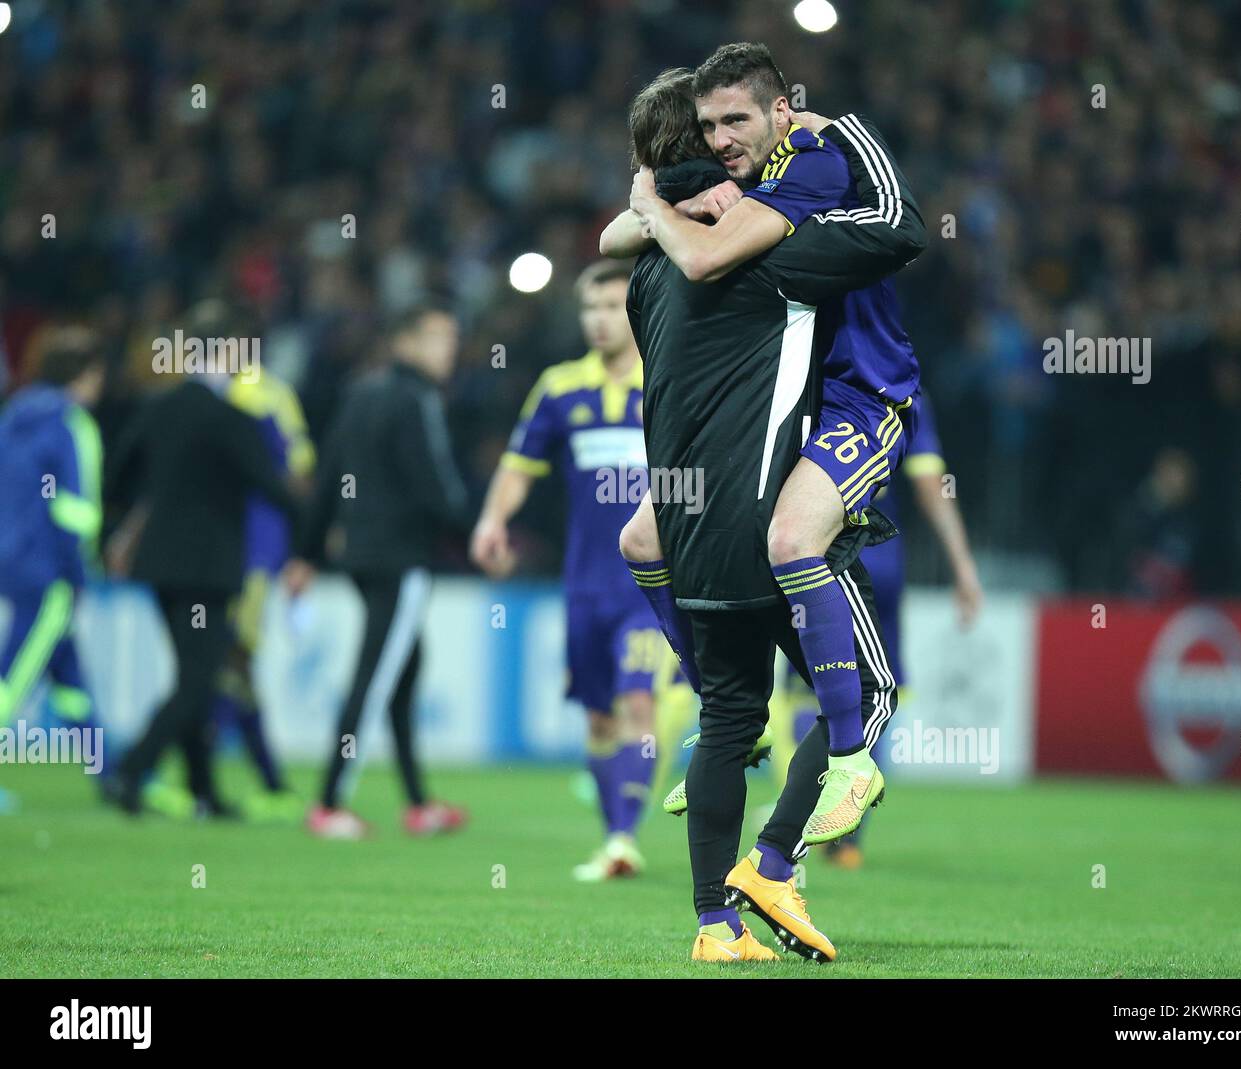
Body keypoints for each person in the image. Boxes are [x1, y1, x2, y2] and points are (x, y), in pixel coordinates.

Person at [607, 66, 927, 961]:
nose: (723, 143)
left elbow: (901, 224)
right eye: (708, 129)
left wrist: (653, 206)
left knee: (728, 700)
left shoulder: (657, 266)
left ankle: (728, 907)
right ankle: (781, 853)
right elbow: (900, 226)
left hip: (799, 447)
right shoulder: (760, 227)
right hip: (788, 453)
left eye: (737, 122)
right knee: (848, 683)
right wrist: (678, 200)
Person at [471, 260, 672, 881]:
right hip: (584, 584)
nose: (601, 320)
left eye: (613, 307)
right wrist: (492, 521)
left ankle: (621, 840)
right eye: (591, 308)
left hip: (653, 586)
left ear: (635, 314)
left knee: (640, 706)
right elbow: (518, 464)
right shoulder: (560, 387)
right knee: (598, 718)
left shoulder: (669, 380)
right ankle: (614, 834)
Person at [101, 307, 298, 818]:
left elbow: (118, 479)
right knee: (199, 676)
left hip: (161, 565)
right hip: (210, 568)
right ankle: (131, 770)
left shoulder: (159, 409)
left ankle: (202, 790)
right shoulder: (233, 420)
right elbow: (274, 488)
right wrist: (320, 533)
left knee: (196, 674)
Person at [777, 391, 983, 869]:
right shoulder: (907, 398)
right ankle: (846, 836)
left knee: (811, 689)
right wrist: (962, 564)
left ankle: (803, 816)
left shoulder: (807, 382)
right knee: (873, 688)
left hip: (820, 555)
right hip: (879, 562)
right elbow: (932, 485)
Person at [287, 306, 470, 840]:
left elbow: (328, 477)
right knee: (375, 679)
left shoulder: (360, 393)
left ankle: (417, 802)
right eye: (438, 339)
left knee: (403, 673)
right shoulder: (418, 399)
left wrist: (306, 551)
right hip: (400, 559)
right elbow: (435, 483)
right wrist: (481, 535)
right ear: (405, 342)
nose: (448, 351)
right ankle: (328, 802)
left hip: (361, 555)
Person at [0, 328, 107, 785]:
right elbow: (75, 510)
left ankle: (110, 773)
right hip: (49, 571)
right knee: (13, 678)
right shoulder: (71, 424)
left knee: (67, 676)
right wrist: (76, 574)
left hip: (10, 558)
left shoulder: (13, 416)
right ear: (84, 376)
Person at [215, 367, 316, 822]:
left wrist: (300, 547)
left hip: (253, 550)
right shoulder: (227, 393)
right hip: (215, 548)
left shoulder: (269, 395)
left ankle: (209, 777)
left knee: (232, 657)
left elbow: (299, 472)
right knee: (225, 661)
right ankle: (262, 779)